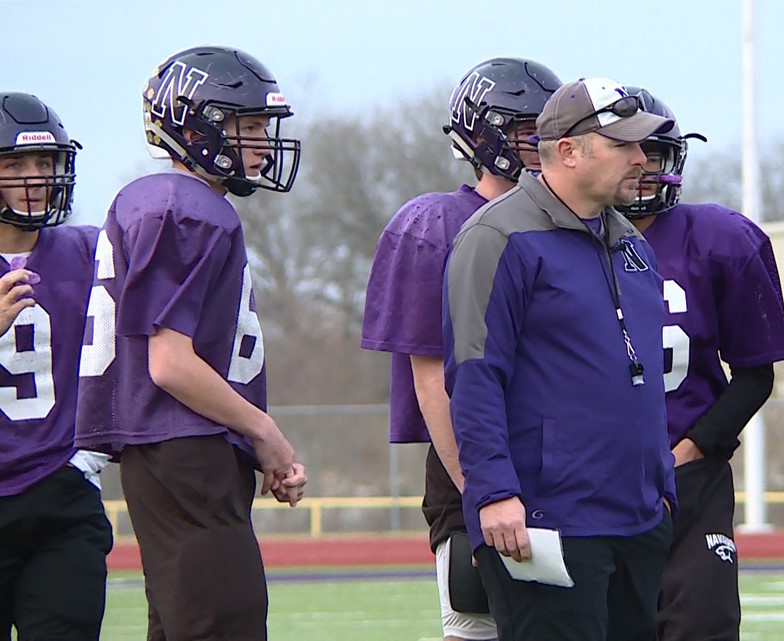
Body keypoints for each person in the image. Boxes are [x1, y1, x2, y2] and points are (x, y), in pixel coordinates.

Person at [74, 45, 308, 641]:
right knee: (222, 626)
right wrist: (264, 432)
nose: (261, 141)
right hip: (183, 447)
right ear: (194, 125)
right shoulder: (185, 206)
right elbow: (171, 362)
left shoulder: (167, 201)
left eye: (263, 126)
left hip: (180, 450)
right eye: (247, 125)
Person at [443, 77, 677, 641]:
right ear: (569, 151)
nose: (641, 159)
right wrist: (496, 493)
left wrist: (661, 488)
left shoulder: (631, 243)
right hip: (546, 520)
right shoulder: (497, 236)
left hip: (637, 517)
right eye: (623, 145)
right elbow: (475, 377)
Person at [361, 56, 562, 641]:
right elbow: (434, 380)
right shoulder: (438, 224)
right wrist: (482, 494)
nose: (541, 146)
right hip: (478, 460)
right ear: (484, 134)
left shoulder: (571, 225)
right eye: (527, 132)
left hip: (566, 464)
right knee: (477, 628)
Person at [613, 87, 784, 641]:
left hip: (691, 477)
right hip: (592, 478)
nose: (642, 171)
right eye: (627, 154)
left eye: (654, 156)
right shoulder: (561, 242)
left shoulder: (717, 238)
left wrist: (692, 448)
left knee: (704, 623)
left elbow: (756, 371)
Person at [0, 92, 113, 641]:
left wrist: (90, 456)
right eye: (14, 164)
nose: (34, 177)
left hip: (59, 491)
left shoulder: (90, 251)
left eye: (45, 163)